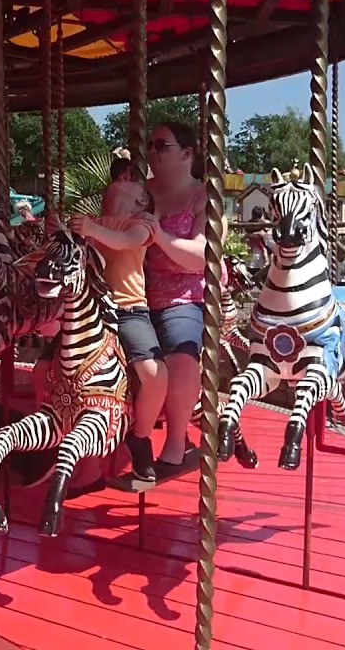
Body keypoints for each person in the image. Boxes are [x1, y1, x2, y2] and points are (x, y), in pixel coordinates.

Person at [70, 175, 167, 486]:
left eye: (131, 181)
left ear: (141, 200)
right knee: (46, 369)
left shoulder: (142, 223)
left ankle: (140, 438)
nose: (122, 176)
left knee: (154, 374)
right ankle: (61, 443)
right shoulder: (91, 222)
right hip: (89, 313)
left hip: (127, 311)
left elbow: (125, 243)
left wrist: (90, 230)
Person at [137, 121, 212, 470]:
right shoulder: (140, 191)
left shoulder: (203, 198)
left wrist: (161, 238)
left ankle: (176, 440)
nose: (153, 152)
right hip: (134, 292)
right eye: (150, 145)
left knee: (181, 357)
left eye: (161, 146)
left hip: (181, 296)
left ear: (186, 153)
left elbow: (202, 258)